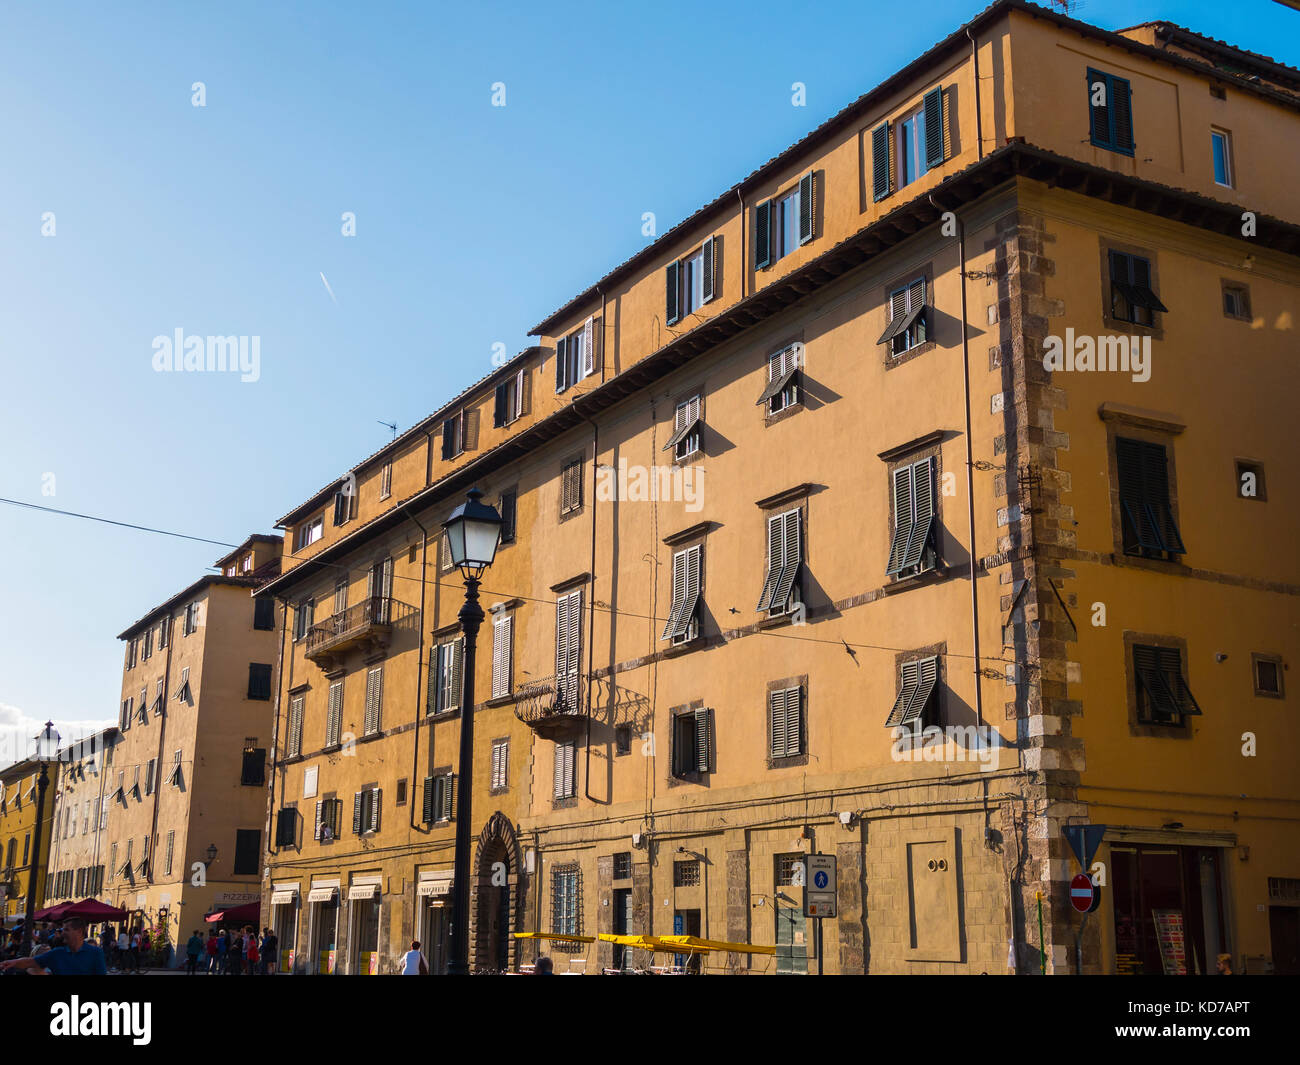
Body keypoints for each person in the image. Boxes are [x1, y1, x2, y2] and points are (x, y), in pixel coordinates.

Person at [0, 918, 107, 976]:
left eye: (66, 930)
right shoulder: (57, 953)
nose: (61, 932)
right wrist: (12, 962)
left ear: (79, 932)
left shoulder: (95, 953)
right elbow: (30, 962)